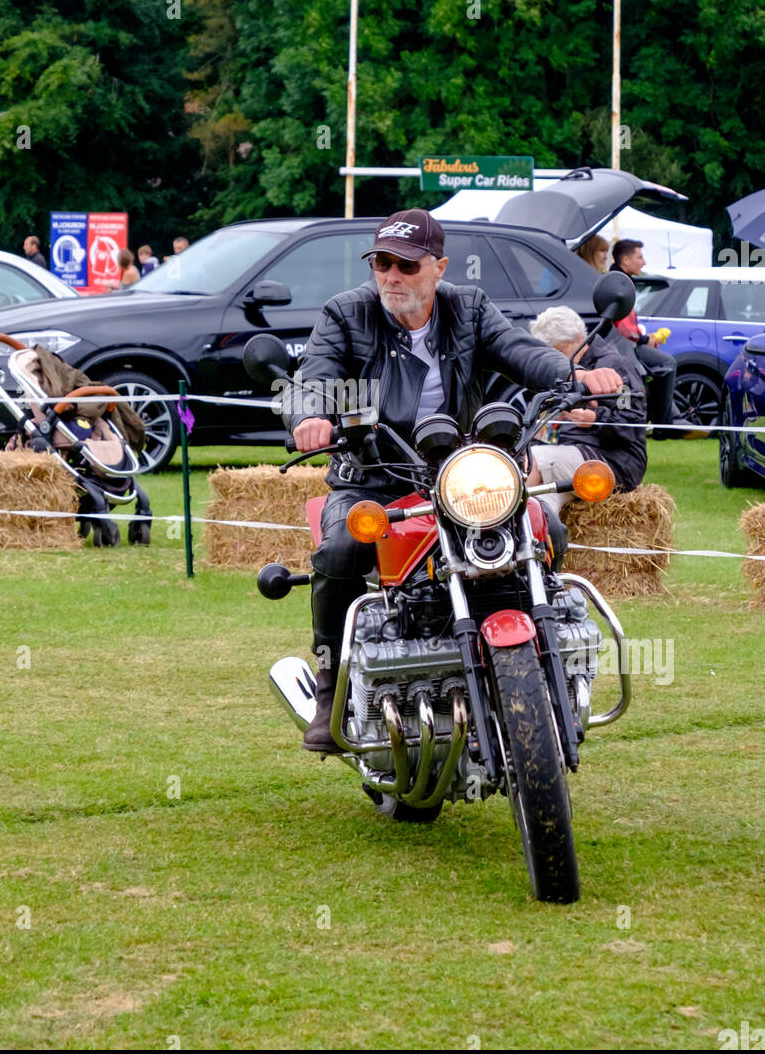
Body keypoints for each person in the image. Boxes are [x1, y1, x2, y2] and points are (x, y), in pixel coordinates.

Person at [284, 208, 623, 754]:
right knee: (343, 547)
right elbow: (315, 375)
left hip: (456, 471)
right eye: (382, 263)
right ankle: (330, 690)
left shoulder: (468, 308)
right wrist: (309, 416)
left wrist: (574, 377)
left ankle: (538, 659)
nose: (392, 275)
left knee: (547, 530)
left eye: (406, 265)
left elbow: (521, 352)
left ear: (438, 268)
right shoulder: (346, 314)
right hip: (373, 472)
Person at [526, 306, 647, 513]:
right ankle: (533, 544)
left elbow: (632, 425)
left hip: (614, 461)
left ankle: (493, 521)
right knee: (539, 503)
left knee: (532, 462)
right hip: (567, 454)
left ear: (579, 339)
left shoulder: (616, 367)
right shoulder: (562, 370)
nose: (556, 359)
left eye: (559, 351)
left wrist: (594, 418)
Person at [609, 238, 698, 437]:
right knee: (667, 364)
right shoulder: (618, 283)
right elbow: (620, 326)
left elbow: (625, 324)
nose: (644, 262)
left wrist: (644, 337)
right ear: (625, 260)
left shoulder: (621, 281)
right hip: (624, 348)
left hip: (628, 345)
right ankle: (664, 425)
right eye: (640, 257)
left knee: (663, 367)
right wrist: (642, 340)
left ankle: (669, 420)